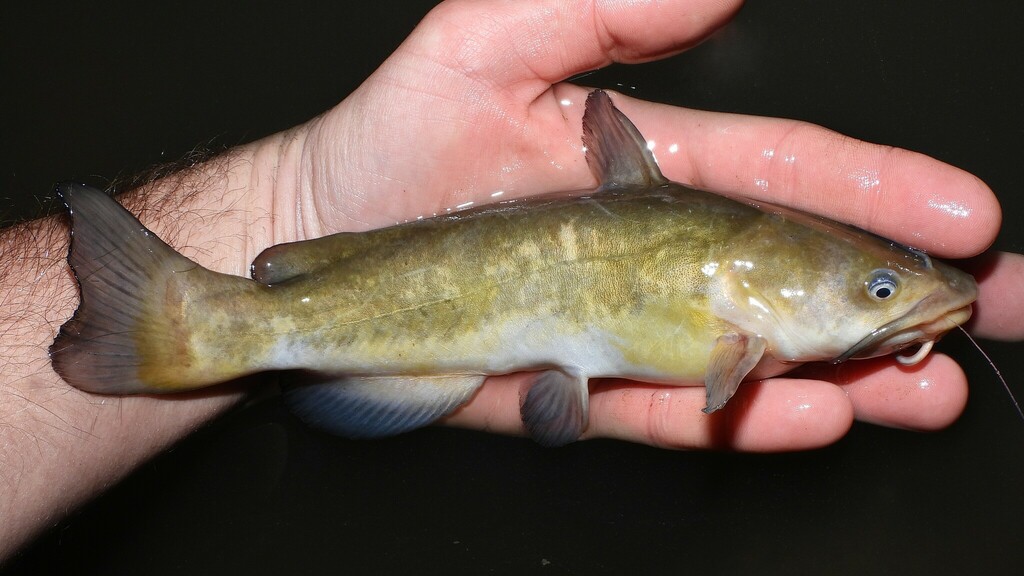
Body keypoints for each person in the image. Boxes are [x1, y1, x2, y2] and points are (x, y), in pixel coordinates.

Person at [1, 0, 1021, 560]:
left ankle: (199, 323)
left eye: (876, 292)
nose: (895, 304)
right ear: (747, 292)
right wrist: (287, 208)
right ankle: (195, 323)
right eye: (875, 292)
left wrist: (286, 209)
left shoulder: (737, 313)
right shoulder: (728, 336)